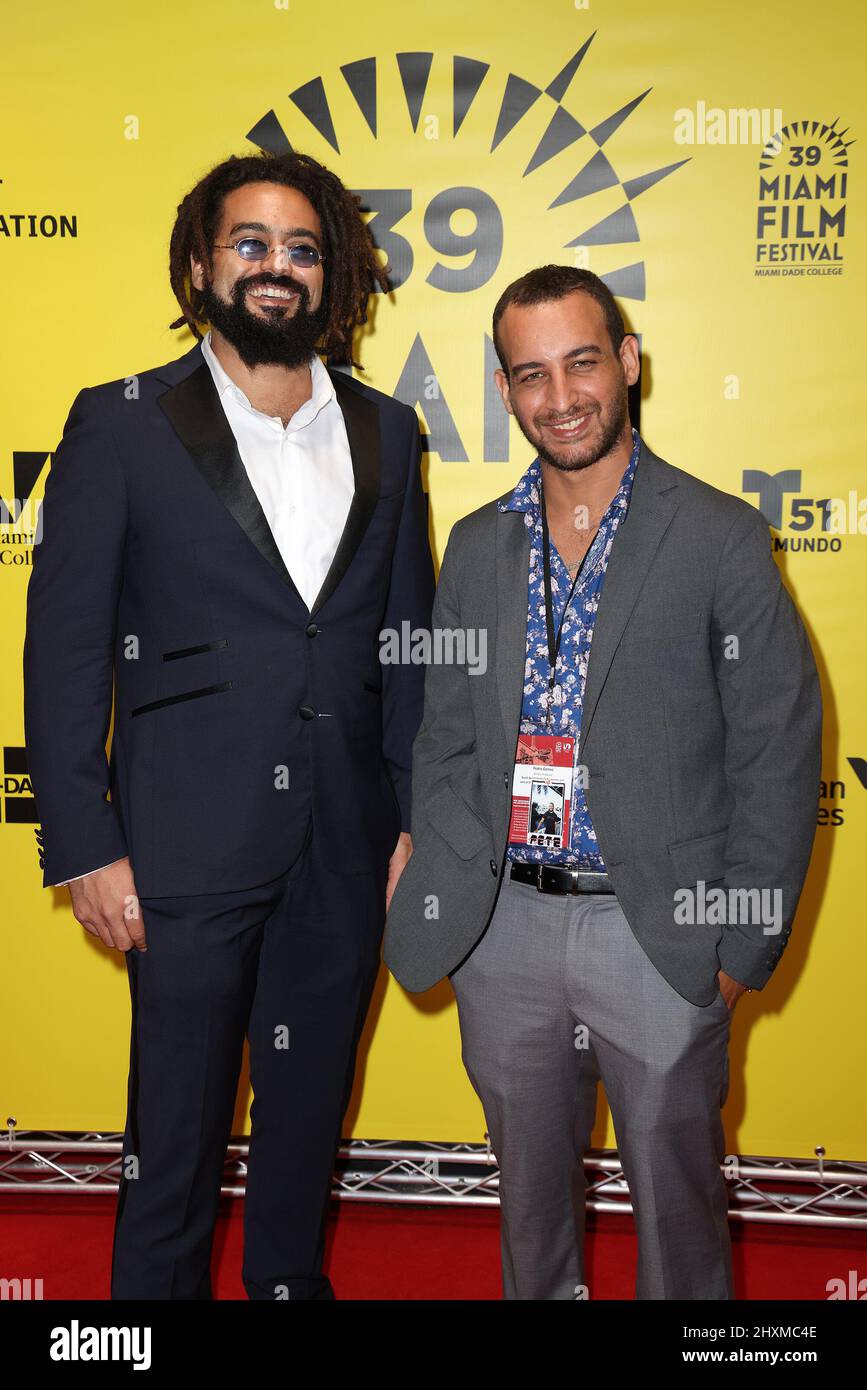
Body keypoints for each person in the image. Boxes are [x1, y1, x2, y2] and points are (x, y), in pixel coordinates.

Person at [24, 149, 435, 1300]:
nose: (276, 267)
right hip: (181, 851)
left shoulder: (390, 432)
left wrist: (408, 821)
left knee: (308, 1128)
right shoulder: (120, 423)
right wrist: (86, 844)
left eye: (302, 249)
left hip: (346, 847)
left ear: (333, 274)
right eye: (249, 242)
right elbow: (60, 652)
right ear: (202, 263)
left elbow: (407, 642)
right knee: (175, 1139)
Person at [384, 264, 822, 1300]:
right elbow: (446, 735)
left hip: (659, 937)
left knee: (679, 1220)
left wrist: (736, 951)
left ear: (627, 362)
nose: (561, 396)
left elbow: (778, 745)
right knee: (529, 1218)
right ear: (504, 392)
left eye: (583, 361)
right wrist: (445, 873)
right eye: (531, 375)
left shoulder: (716, 533)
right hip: (506, 936)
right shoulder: (479, 544)